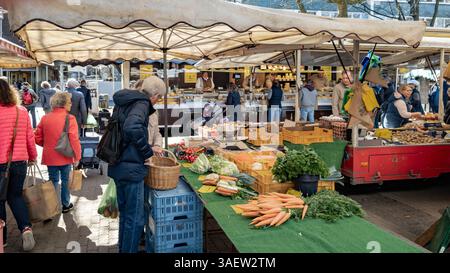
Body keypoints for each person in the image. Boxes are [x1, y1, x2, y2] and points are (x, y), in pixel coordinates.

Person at [108, 76, 165, 253]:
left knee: (126, 215)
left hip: (119, 164)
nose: (158, 101)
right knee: (136, 218)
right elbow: (132, 127)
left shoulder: (126, 102)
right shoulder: (142, 104)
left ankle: (124, 249)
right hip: (132, 168)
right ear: (154, 94)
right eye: (159, 97)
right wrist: (146, 151)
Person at [0, 79, 37, 251]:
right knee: (15, 196)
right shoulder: (21, 111)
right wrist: (33, 156)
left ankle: (3, 238)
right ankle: (26, 228)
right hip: (20, 161)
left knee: (0, 200)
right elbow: (30, 137)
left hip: (0, 164)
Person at [34, 92, 81, 214]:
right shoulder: (70, 118)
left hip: (50, 155)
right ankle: (66, 204)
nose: (71, 104)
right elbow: (74, 139)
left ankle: (52, 207)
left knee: (53, 180)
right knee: (65, 180)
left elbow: (37, 137)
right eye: (70, 102)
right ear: (64, 104)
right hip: (65, 155)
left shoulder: (45, 118)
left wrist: (47, 145)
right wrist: (77, 156)